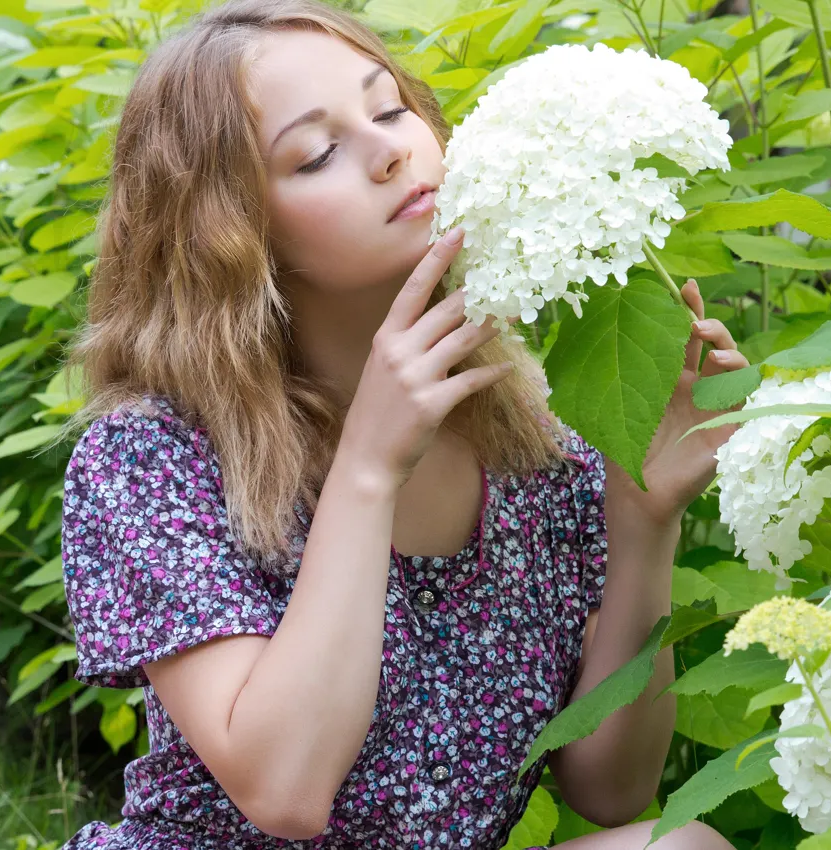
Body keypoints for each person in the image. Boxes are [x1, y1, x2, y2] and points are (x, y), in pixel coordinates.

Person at [56, 0, 750, 847]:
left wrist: (645, 520)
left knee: (682, 845)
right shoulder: (150, 459)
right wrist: (368, 468)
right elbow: (286, 791)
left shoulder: (538, 457)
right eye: (316, 155)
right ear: (227, 235)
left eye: (389, 108)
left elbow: (612, 789)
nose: (390, 150)